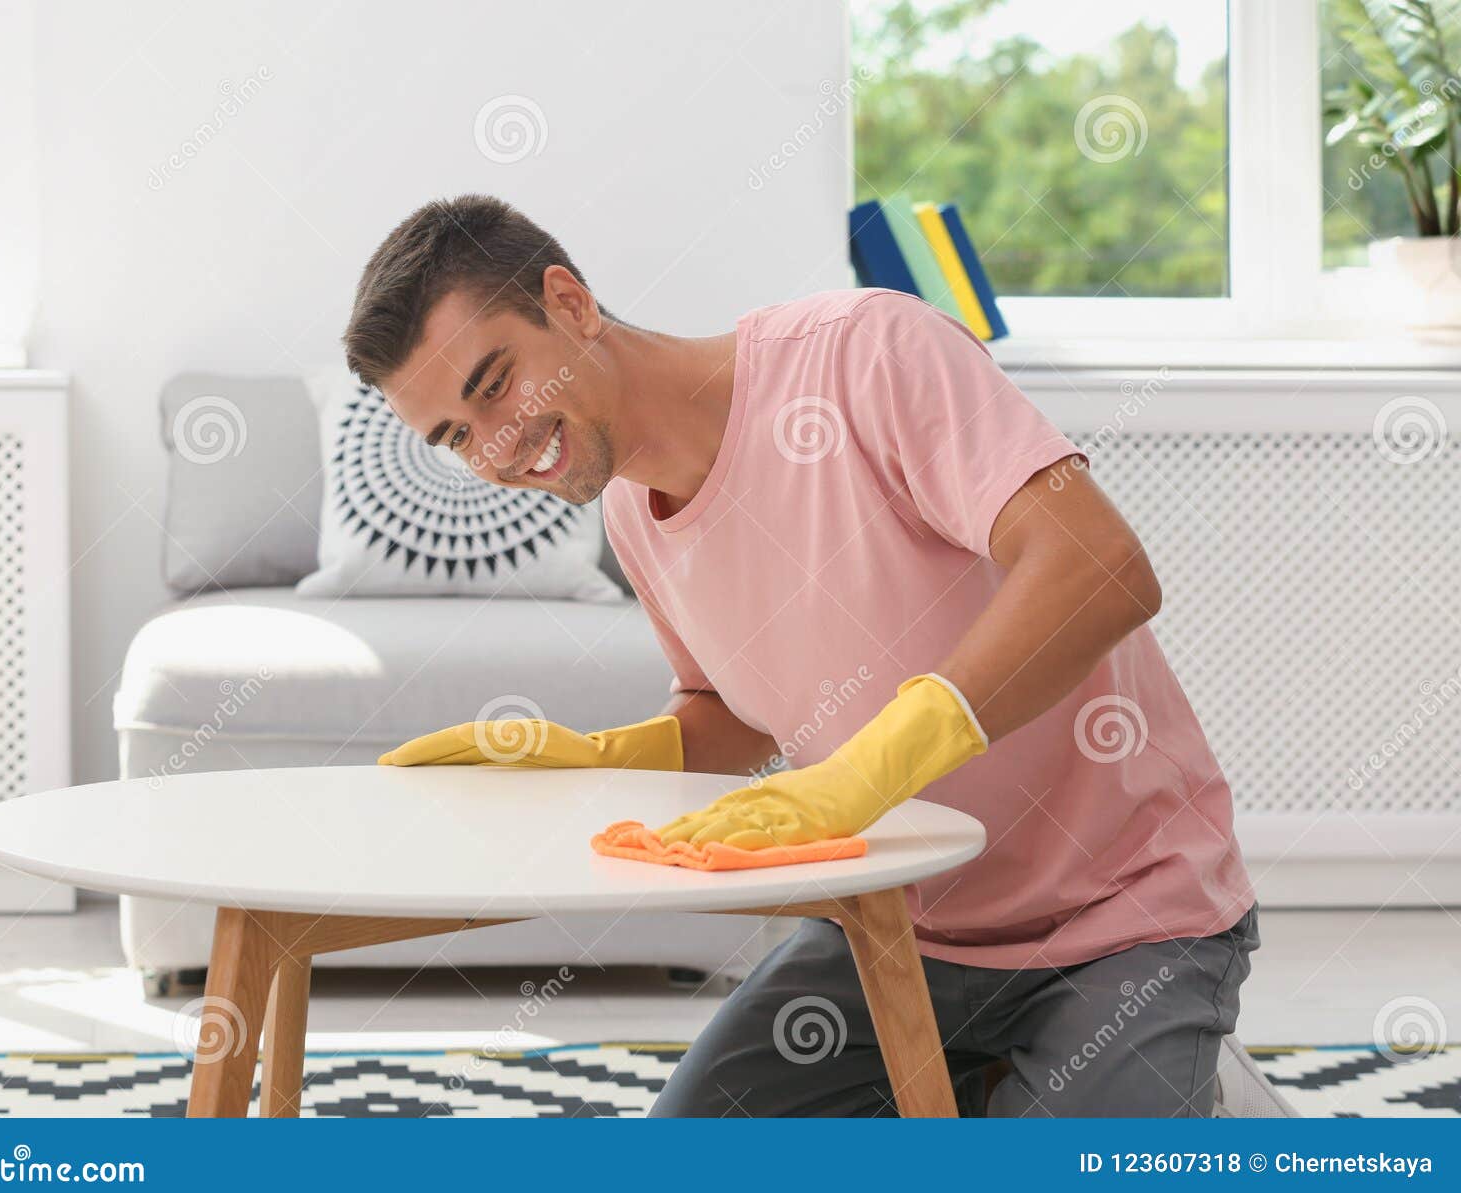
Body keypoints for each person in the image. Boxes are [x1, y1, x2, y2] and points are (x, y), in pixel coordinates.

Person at [345, 194, 1257, 1117]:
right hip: (897, 924)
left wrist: (875, 766)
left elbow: (1101, 569)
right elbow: (735, 708)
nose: (495, 448)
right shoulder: (634, 513)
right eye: (455, 437)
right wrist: (617, 756)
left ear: (570, 303)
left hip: (1123, 921)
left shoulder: (867, 354)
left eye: (495, 384)